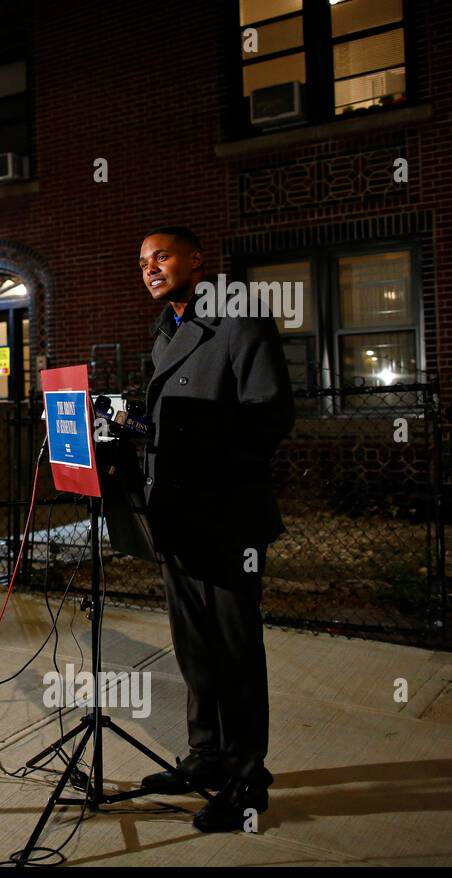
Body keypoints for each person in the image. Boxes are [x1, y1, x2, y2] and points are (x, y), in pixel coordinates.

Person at [136, 226, 295, 832]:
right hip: (176, 519)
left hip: (227, 519)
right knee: (195, 648)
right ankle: (206, 756)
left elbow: (270, 413)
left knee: (233, 652)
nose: (151, 268)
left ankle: (246, 779)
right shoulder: (167, 331)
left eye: (163, 256)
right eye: (144, 262)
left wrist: (205, 457)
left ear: (196, 259)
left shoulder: (237, 315)